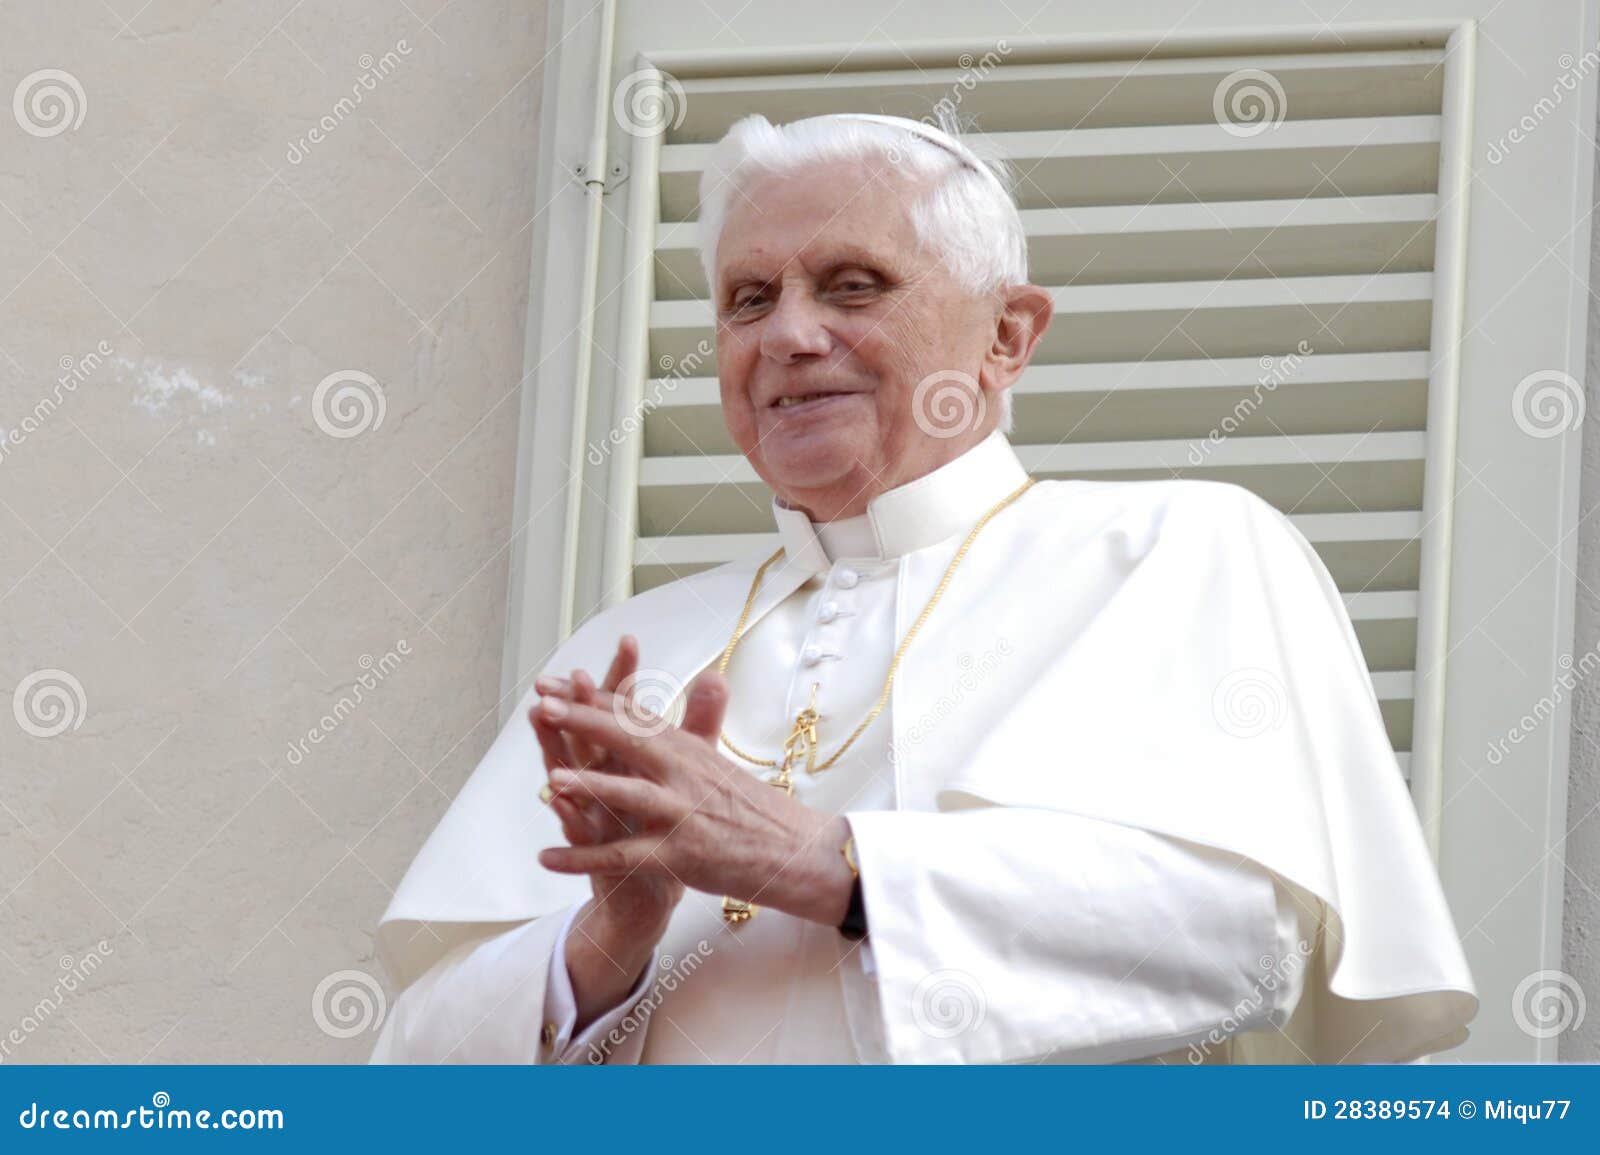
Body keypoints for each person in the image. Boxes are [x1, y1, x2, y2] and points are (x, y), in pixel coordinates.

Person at [367, 110, 1476, 1065]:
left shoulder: (1175, 548)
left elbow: (1240, 943)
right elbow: (411, 1065)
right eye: (748, 300)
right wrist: (606, 942)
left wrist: (819, 863)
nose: (790, 335)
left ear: (1006, 335)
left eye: (853, 286)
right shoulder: (632, 643)